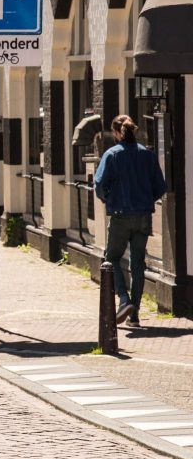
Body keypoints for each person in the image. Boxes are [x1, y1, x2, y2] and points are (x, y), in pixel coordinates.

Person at [94, 114, 166, 327]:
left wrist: (108, 198)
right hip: (143, 217)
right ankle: (134, 314)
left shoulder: (112, 155)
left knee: (111, 258)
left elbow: (99, 184)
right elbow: (160, 187)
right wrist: (145, 200)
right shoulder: (148, 155)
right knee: (138, 264)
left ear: (117, 133)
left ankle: (123, 300)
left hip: (121, 215)